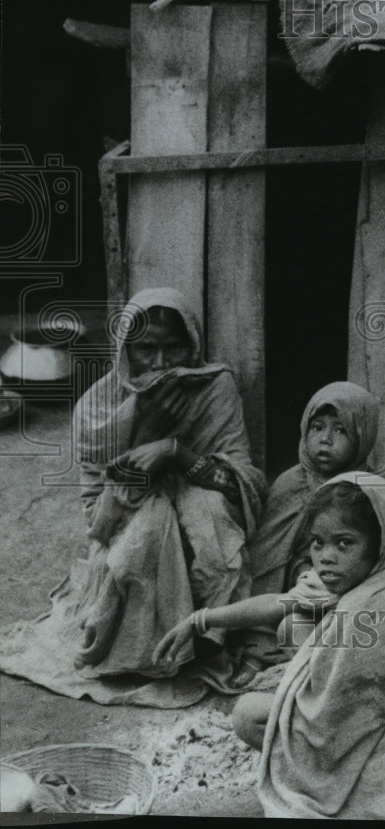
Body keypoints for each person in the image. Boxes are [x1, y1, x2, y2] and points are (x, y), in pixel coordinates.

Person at [154, 472, 385, 821]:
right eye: (318, 543)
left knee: (247, 714)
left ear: (381, 541)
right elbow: (280, 603)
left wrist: (300, 703)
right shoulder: (377, 575)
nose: (326, 557)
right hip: (368, 725)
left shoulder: (376, 607)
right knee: (295, 625)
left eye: (344, 543)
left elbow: (343, 721)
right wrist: (200, 619)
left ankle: (329, 780)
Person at [72, 287, 266, 688]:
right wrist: (146, 430)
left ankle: (211, 633)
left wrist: (176, 452)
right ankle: (143, 651)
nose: (160, 363)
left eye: (173, 347)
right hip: (127, 518)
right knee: (151, 526)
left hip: (195, 506)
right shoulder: (97, 410)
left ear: (192, 345)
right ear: (126, 351)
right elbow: (98, 520)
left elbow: (241, 484)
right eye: (146, 349)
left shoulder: (215, 387)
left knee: (208, 513)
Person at [236, 382, 379, 677]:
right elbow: (269, 556)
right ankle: (258, 651)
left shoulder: (372, 490)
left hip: (349, 587)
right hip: (296, 589)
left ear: (363, 436)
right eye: (317, 428)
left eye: (341, 430)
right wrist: (303, 568)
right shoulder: (290, 484)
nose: (325, 440)